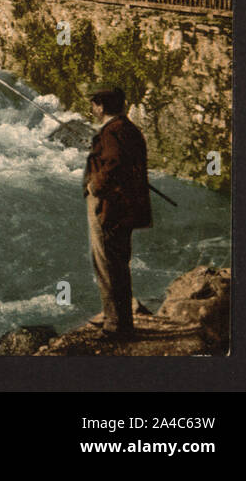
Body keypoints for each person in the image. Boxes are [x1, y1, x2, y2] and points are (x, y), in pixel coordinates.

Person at [83, 86, 152, 340]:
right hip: (127, 209)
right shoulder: (130, 129)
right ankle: (122, 320)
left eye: (94, 104)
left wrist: (94, 186)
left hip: (109, 208)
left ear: (101, 106)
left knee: (108, 265)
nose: (92, 109)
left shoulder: (111, 133)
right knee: (119, 265)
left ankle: (115, 326)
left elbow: (112, 164)